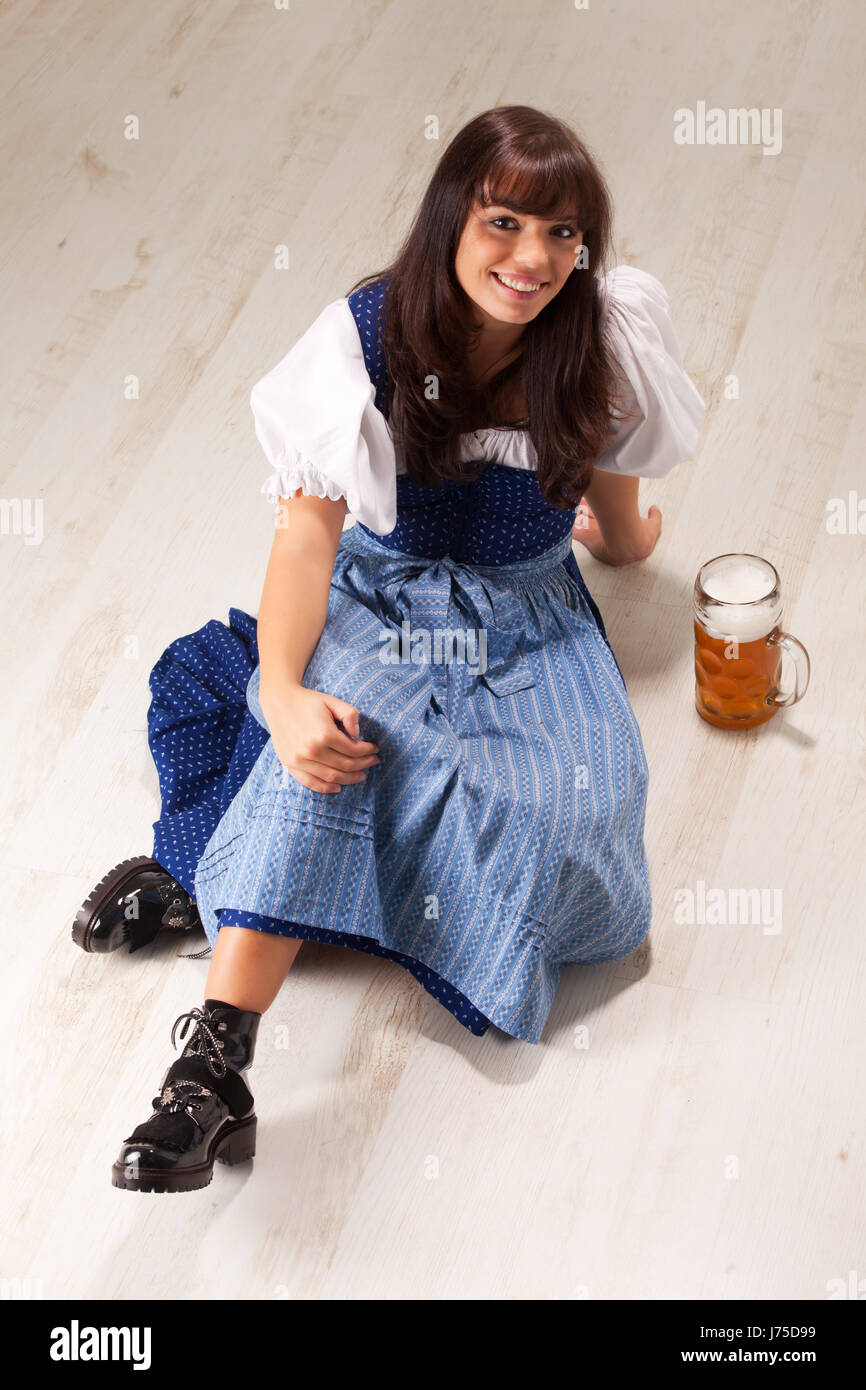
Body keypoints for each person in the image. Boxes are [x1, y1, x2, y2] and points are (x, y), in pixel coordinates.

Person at [72, 105, 706, 1193]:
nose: (532, 259)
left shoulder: (595, 342)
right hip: (384, 594)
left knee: (565, 814)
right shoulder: (364, 338)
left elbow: (616, 501)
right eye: (505, 221)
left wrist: (626, 542)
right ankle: (210, 1070)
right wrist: (278, 689)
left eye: (562, 236)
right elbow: (305, 541)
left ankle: (223, 879)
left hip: (525, 615)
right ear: (453, 215)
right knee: (330, 748)